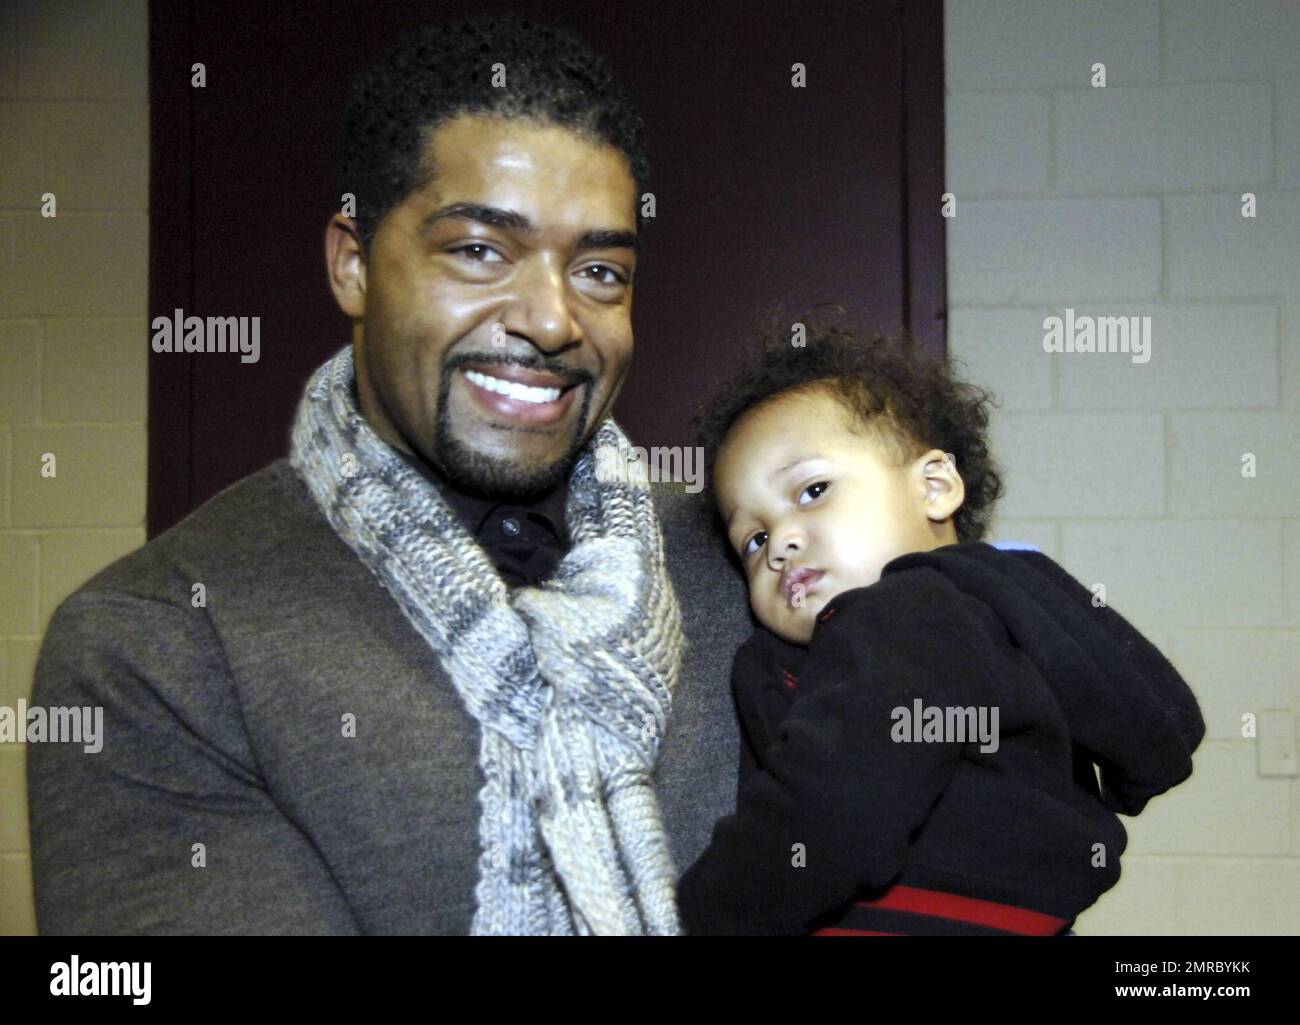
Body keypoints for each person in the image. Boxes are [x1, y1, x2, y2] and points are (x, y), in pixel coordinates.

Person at [27, 15, 752, 935]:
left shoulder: (749, 569)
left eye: (601, 269)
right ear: (355, 263)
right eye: (480, 251)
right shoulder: (160, 642)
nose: (552, 317)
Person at [674, 314, 1206, 935]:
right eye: (754, 537)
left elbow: (834, 809)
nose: (781, 545)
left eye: (813, 490)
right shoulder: (992, 621)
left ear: (935, 486)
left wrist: (681, 922)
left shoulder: (907, 612)